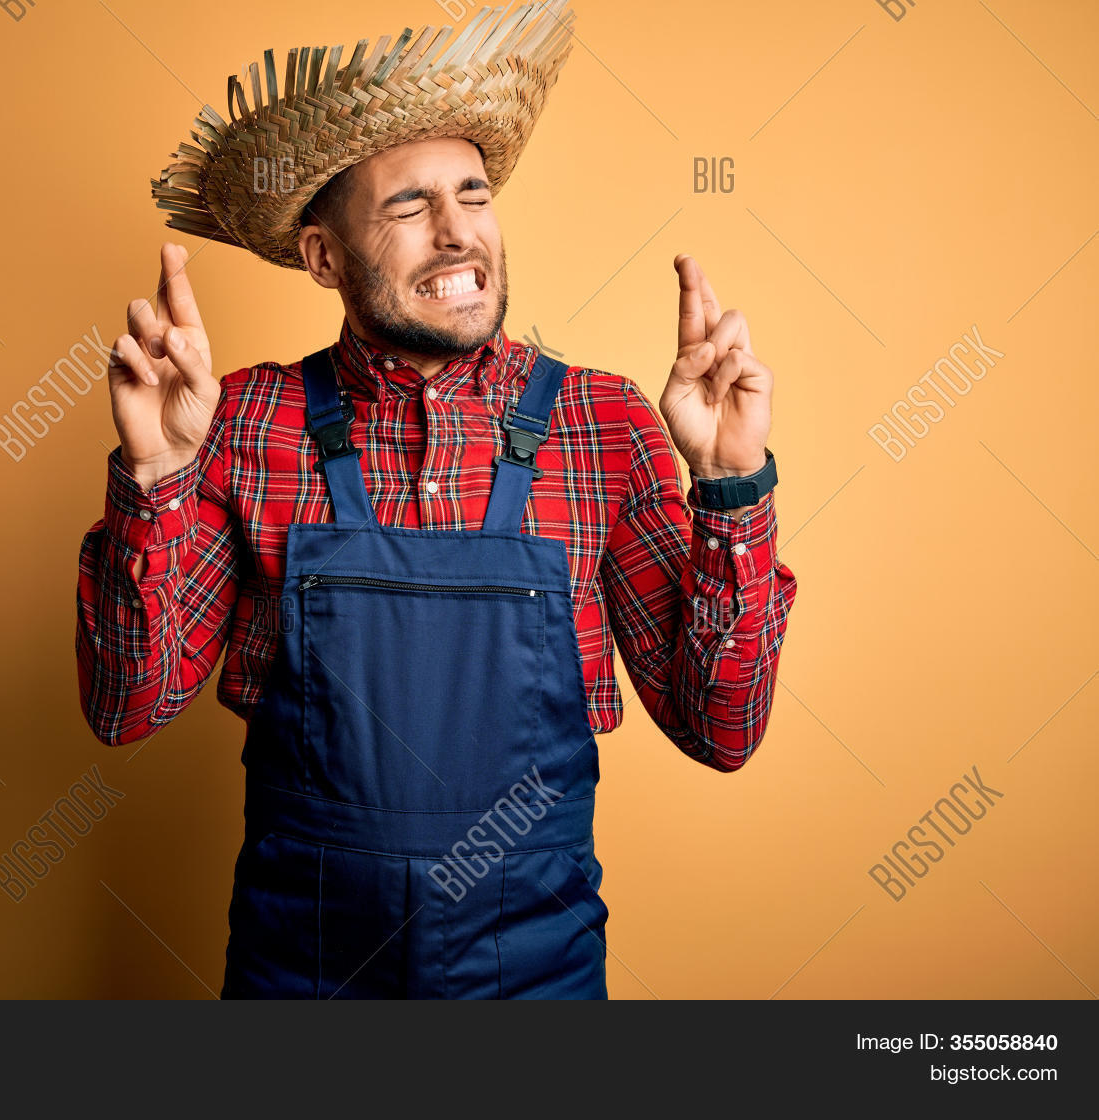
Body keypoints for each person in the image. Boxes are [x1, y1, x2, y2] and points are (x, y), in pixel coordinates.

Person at [77, 0, 797, 998]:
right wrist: (157, 478)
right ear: (325, 256)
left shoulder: (602, 426)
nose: (460, 235)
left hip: (532, 982)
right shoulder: (242, 422)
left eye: (474, 194)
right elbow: (125, 707)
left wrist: (729, 488)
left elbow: (723, 731)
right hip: (303, 977)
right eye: (410, 206)